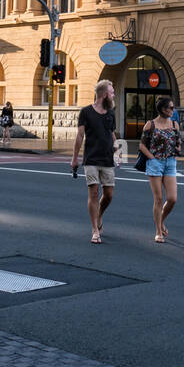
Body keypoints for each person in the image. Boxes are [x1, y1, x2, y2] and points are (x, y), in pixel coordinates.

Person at [71, 80, 118, 244]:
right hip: (91, 158)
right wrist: (74, 158)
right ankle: (94, 229)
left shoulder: (111, 113)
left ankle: (99, 215)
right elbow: (79, 136)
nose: (113, 95)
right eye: (112, 92)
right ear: (105, 94)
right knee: (93, 193)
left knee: (109, 195)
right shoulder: (85, 112)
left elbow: (112, 134)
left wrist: (117, 151)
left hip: (107, 159)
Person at [138, 97, 181, 242]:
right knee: (158, 199)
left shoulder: (175, 124)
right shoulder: (150, 125)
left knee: (172, 199)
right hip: (155, 163)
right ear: (163, 109)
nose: (173, 110)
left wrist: (177, 149)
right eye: (171, 107)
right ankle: (158, 232)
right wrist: (152, 158)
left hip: (170, 162)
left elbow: (178, 142)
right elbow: (142, 145)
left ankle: (161, 220)